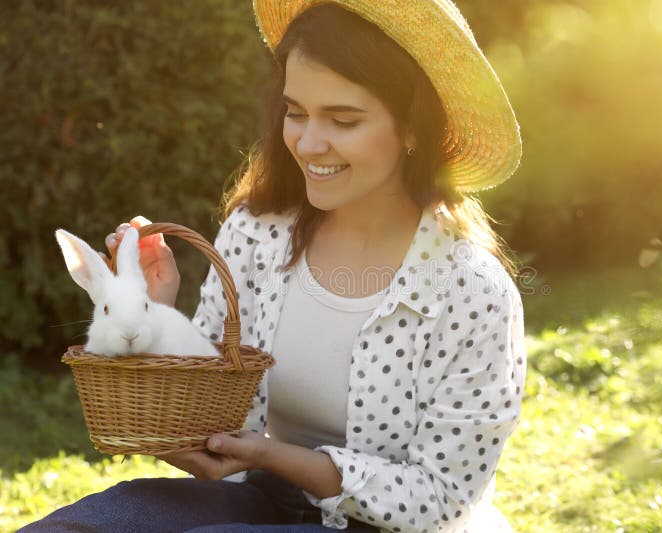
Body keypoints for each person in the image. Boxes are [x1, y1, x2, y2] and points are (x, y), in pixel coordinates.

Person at [22, 1, 526, 532]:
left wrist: (271, 457)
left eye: (344, 119)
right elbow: (211, 411)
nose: (308, 144)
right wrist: (153, 312)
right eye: (296, 112)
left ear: (412, 129)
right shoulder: (258, 233)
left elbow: (441, 496)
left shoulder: (471, 289)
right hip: (258, 501)